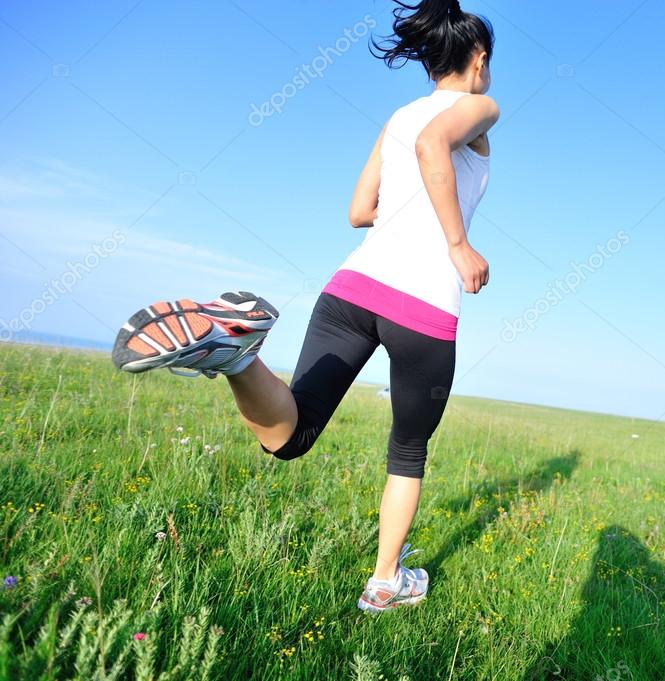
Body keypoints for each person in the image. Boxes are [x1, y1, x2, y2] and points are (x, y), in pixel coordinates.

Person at [110, 0, 498, 614]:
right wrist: (456, 243)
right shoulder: (480, 107)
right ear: (478, 59)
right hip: (422, 305)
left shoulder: (398, 116)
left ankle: (235, 355)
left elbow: (358, 211)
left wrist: (408, 212)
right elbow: (434, 145)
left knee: (291, 436)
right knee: (407, 451)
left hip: (353, 288)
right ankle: (385, 582)